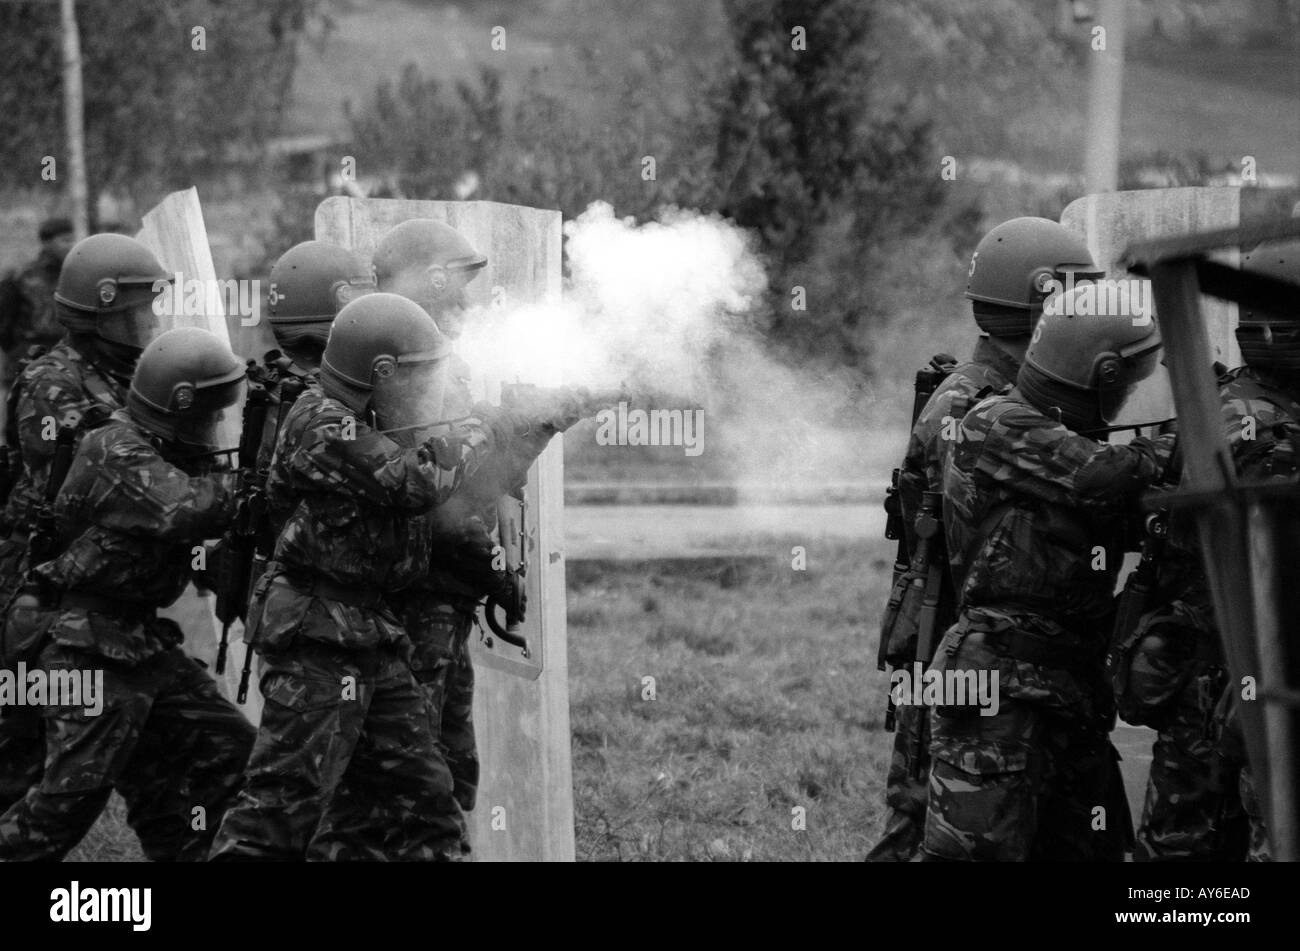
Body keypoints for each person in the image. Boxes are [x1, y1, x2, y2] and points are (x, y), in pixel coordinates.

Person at [209, 292, 519, 861]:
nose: (430, 386)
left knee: (424, 804)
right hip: (318, 641)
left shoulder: (364, 415)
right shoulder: (319, 422)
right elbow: (415, 483)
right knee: (277, 813)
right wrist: (489, 428)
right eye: (421, 374)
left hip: (370, 636)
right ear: (382, 371)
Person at [868, 217, 1102, 861]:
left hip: (971, 642)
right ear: (1046, 302)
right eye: (1081, 297)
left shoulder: (1004, 392)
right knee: (926, 823)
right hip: (953, 637)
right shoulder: (976, 402)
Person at [923, 281, 1178, 861]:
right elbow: (1098, 477)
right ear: (1103, 375)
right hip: (998, 688)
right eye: (1129, 385)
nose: (1127, 400)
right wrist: (1186, 435)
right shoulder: (999, 421)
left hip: (1065, 689)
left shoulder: (1052, 431)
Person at [0, 327, 255, 861]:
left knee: (225, 750)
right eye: (209, 414)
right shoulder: (114, 447)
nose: (214, 427)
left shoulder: (162, 449)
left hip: (134, 642)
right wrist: (265, 481)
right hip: (82, 646)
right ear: (179, 407)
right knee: (62, 808)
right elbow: (185, 509)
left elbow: (196, 540)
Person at [1122, 239, 1300, 862]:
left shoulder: (1219, 407)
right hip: (1230, 667)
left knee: (1182, 847)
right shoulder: (1275, 432)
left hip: (1195, 664)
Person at [0, 233, 169, 814]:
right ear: (104, 311)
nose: (151, 317)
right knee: (27, 773)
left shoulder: (128, 376)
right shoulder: (52, 383)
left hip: (95, 601)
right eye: (141, 306)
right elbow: (105, 477)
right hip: (42, 599)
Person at [0, 218, 76, 395]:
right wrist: (17, 349)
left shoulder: (74, 275)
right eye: (64, 240)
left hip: (64, 359)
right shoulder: (21, 276)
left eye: (72, 239)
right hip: (26, 358)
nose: (70, 245)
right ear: (47, 243)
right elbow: (4, 322)